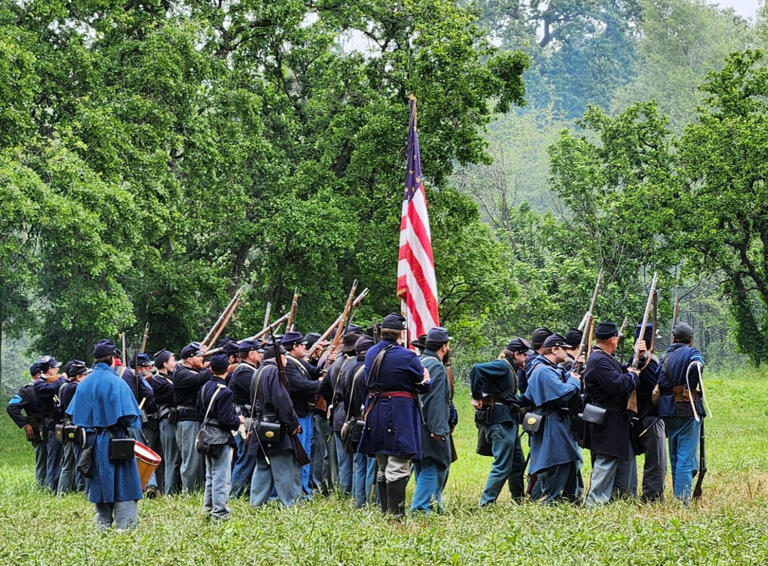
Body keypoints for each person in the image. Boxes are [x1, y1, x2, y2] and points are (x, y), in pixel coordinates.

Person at [358, 313, 430, 518]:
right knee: (397, 465)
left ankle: (385, 514)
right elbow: (422, 384)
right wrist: (426, 378)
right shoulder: (407, 355)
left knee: (383, 465)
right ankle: (395, 517)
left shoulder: (371, 352)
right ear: (400, 334)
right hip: (399, 413)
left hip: (375, 411)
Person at [66, 339, 143, 530]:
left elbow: (74, 414)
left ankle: (103, 526)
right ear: (113, 359)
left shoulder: (83, 384)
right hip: (116, 441)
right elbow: (132, 419)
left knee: (100, 482)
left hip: (93, 443)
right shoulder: (117, 382)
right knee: (124, 483)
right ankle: (125, 528)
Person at [583, 322, 642, 507]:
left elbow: (619, 370)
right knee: (606, 460)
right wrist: (633, 376)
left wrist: (635, 359)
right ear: (612, 339)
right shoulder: (599, 360)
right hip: (607, 418)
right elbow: (618, 384)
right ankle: (594, 503)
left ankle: (622, 498)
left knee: (620, 458)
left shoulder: (605, 358)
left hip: (616, 418)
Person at [522, 334, 582, 504]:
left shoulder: (549, 368)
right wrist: (574, 381)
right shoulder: (542, 370)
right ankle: (550, 503)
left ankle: (568, 501)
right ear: (554, 349)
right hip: (551, 423)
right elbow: (563, 393)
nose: (567, 351)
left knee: (567, 462)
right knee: (556, 462)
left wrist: (573, 373)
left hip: (558, 421)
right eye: (564, 348)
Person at [471, 338, 529, 506]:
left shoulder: (510, 368)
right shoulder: (503, 365)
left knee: (517, 463)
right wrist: (476, 396)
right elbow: (477, 369)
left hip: (508, 420)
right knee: (502, 465)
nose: (526, 359)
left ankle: (518, 499)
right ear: (517, 354)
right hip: (500, 421)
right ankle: (486, 503)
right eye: (525, 355)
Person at [657, 322, 706, 503]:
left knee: (675, 455)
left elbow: (659, 380)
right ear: (690, 340)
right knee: (686, 456)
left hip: (667, 410)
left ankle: (680, 495)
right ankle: (682, 500)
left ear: (673, 338)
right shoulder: (692, 353)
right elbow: (698, 366)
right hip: (687, 409)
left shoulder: (665, 357)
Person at [248, 345, 303, 507]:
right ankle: (291, 505)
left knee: (263, 467)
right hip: (276, 425)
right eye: (284, 357)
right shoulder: (273, 372)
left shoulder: (258, 371)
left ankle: (256, 504)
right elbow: (282, 401)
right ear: (279, 358)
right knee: (285, 468)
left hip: (261, 425)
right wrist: (293, 423)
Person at [411, 327, 455, 514]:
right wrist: (438, 430)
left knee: (424, 465)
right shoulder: (435, 366)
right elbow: (435, 400)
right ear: (444, 347)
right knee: (435, 464)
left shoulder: (420, 361)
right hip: (430, 426)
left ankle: (434, 505)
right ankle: (421, 508)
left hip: (417, 424)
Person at [196, 353, 244, 520]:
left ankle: (208, 508)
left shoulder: (204, 387)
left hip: (206, 435)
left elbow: (199, 412)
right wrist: (238, 420)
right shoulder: (225, 392)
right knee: (221, 477)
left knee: (210, 475)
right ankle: (220, 512)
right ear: (227, 368)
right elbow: (225, 420)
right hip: (220, 437)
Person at [281, 330, 321, 497]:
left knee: (306, 452)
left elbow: (315, 371)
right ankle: (300, 491)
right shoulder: (288, 364)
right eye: (303, 345)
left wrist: (324, 357)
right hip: (298, 413)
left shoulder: (297, 362)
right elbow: (299, 385)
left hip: (305, 412)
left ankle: (303, 488)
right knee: (301, 453)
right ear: (294, 346)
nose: (306, 347)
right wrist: (321, 384)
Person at [631, 323, 667, 502]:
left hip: (644, 416)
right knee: (657, 461)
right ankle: (652, 497)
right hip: (650, 417)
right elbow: (657, 386)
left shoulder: (642, 360)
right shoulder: (644, 361)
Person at [341, 334, 377, 508]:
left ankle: (358, 501)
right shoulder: (368, 371)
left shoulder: (349, 368)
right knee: (371, 465)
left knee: (359, 465)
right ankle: (370, 503)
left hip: (354, 420)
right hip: (367, 422)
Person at [325, 331, 361, 497]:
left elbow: (323, 388)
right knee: (353, 460)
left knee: (343, 460)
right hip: (347, 413)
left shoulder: (335, 363)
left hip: (337, 413)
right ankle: (350, 494)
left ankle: (343, 493)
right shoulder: (353, 364)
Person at [173, 341, 211, 492]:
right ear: (189, 359)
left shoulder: (189, 371)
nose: (202, 358)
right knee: (190, 459)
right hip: (187, 419)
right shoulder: (181, 373)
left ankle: (197, 490)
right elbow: (199, 379)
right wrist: (215, 367)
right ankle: (188, 492)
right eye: (199, 356)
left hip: (193, 419)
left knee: (197, 458)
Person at [228, 339, 263, 497]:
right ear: (251, 353)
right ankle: (235, 493)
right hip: (244, 419)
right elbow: (257, 392)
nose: (261, 354)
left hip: (248, 418)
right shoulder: (243, 371)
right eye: (258, 351)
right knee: (246, 457)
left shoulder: (249, 369)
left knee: (249, 456)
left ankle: (244, 491)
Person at [6, 362, 47, 487]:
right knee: (42, 458)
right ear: (38, 375)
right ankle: (40, 485)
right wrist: (25, 424)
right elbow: (11, 407)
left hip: (51, 427)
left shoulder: (48, 387)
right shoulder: (27, 391)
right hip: (38, 428)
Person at [56, 361, 90, 495]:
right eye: (85, 375)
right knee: (76, 461)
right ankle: (78, 490)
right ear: (78, 377)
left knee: (68, 461)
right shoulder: (76, 388)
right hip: (74, 426)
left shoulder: (64, 386)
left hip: (67, 425)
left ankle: (64, 491)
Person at [150, 349, 181, 494]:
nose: (175, 363)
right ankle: (169, 492)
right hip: (166, 419)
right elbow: (173, 392)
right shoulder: (158, 380)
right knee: (171, 458)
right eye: (172, 360)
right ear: (164, 363)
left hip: (172, 419)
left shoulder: (169, 377)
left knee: (174, 457)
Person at [33, 355, 66, 491]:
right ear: (50, 370)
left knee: (60, 456)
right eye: (55, 367)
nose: (58, 369)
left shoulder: (50, 381)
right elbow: (53, 388)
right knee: (53, 456)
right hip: (51, 425)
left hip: (58, 423)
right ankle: (52, 486)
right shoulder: (39, 384)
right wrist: (63, 379)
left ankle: (56, 485)